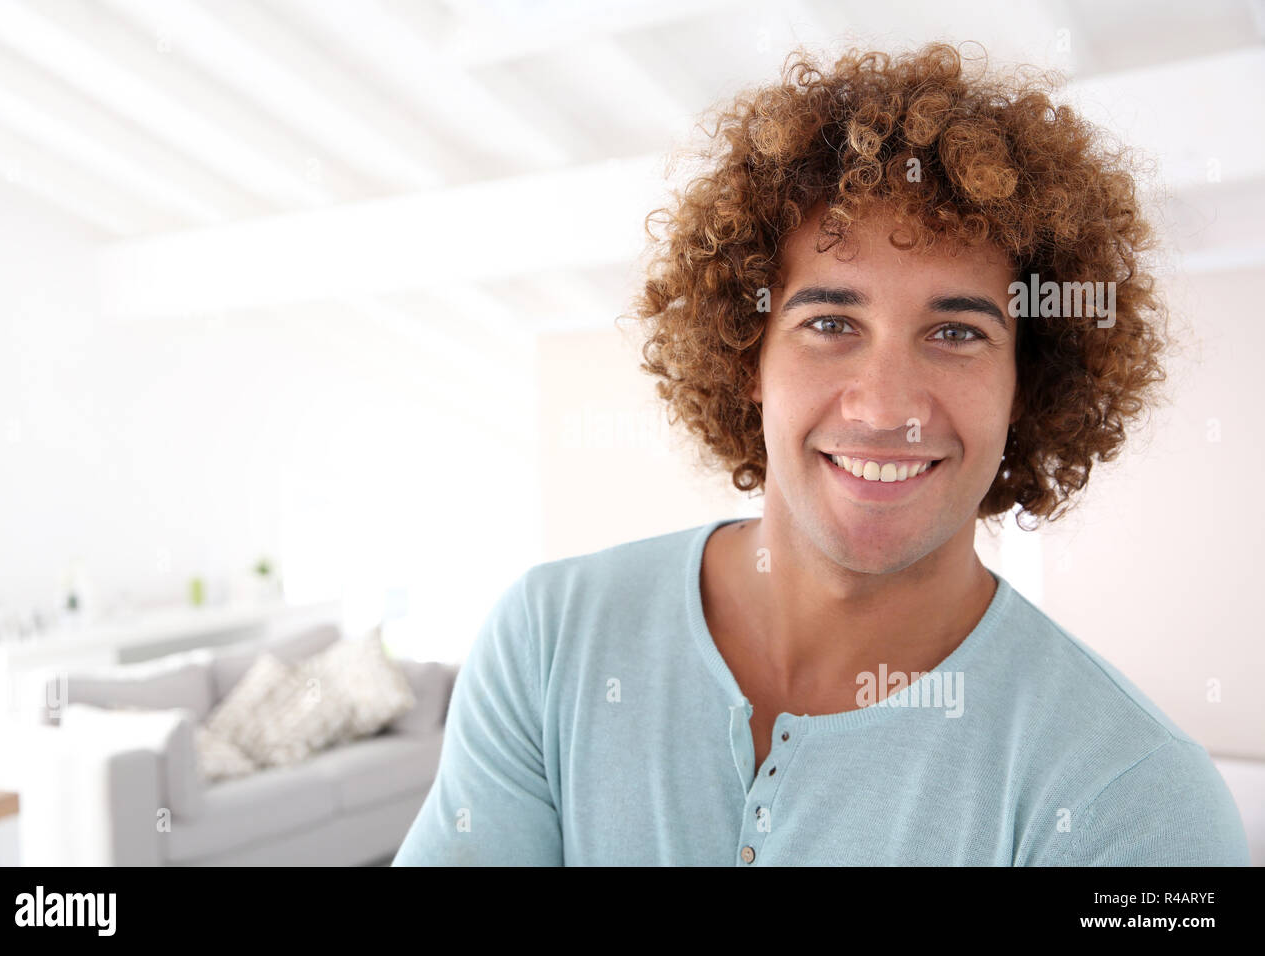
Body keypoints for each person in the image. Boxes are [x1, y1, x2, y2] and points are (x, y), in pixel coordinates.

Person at [393, 42, 1250, 865]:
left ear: (1028, 381)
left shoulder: (1139, 802)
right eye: (830, 324)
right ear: (747, 358)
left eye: (957, 332)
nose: (886, 408)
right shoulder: (549, 645)